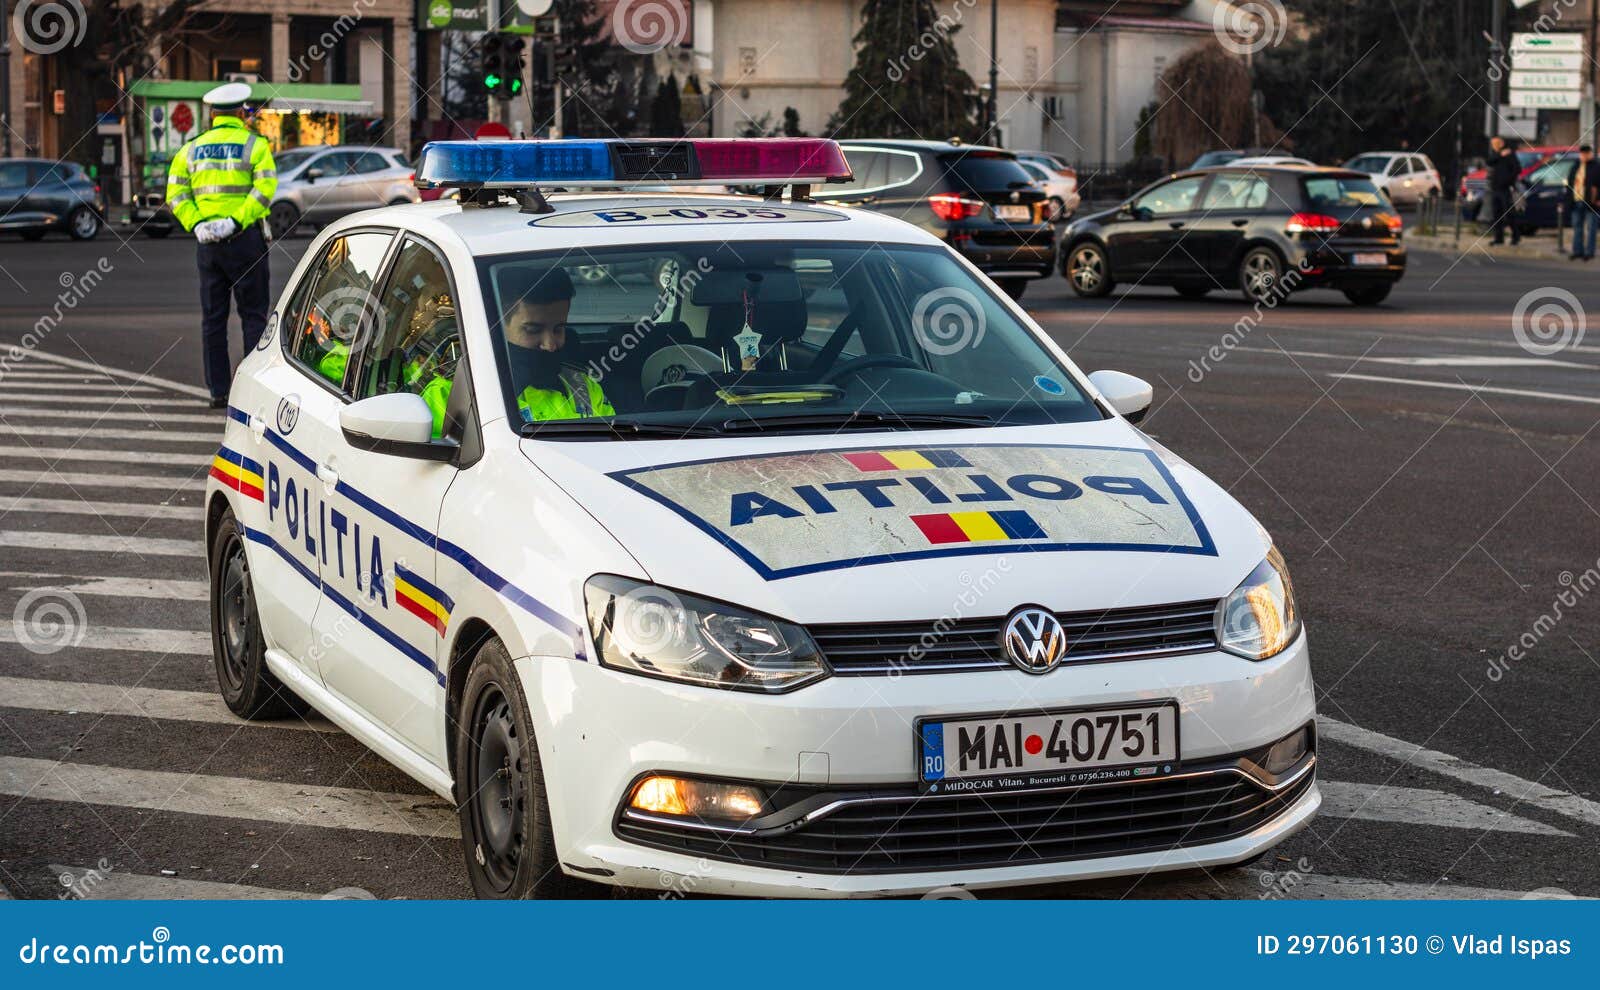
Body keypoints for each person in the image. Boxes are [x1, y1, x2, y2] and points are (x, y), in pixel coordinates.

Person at [165, 82, 278, 408]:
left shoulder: (190, 148)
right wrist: (236, 221)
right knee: (254, 317)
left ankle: (218, 392)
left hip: (209, 246)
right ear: (242, 113)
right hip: (246, 242)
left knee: (213, 320)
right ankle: (252, 394)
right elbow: (264, 191)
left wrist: (198, 224)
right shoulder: (255, 146)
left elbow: (175, 195)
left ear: (211, 114)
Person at [419, 266, 613, 431]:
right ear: (496, 325)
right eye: (533, 330)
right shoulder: (450, 394)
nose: (550, 344)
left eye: (559, 329)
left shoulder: (583, 386)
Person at [1486, 136, 1523, 247]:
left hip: (1506, 189)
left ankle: (1515, 236)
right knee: (1497, 214)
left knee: (1509, 214)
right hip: (1496, 188)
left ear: (1501, 143)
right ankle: (1498, 238)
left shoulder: (1510, 154)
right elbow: (1489, 162)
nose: (1493, 146)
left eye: (1495, 144)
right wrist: (1499, 155)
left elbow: (1517, 169)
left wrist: (1508, 180)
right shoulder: (1496, 155)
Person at [1569, 145, 1600, 261]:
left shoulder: (1596, 166)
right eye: (1582, 153)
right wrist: (1568, 200)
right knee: (1577, 227)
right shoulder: (1575, 166)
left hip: (1591, 202)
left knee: (1591, 228)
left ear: (1590, 154)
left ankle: (1589, 252)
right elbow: (1570, 183)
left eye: (1586, 153)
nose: (1584, 156)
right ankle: (1578, 251)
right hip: (1576, 200)